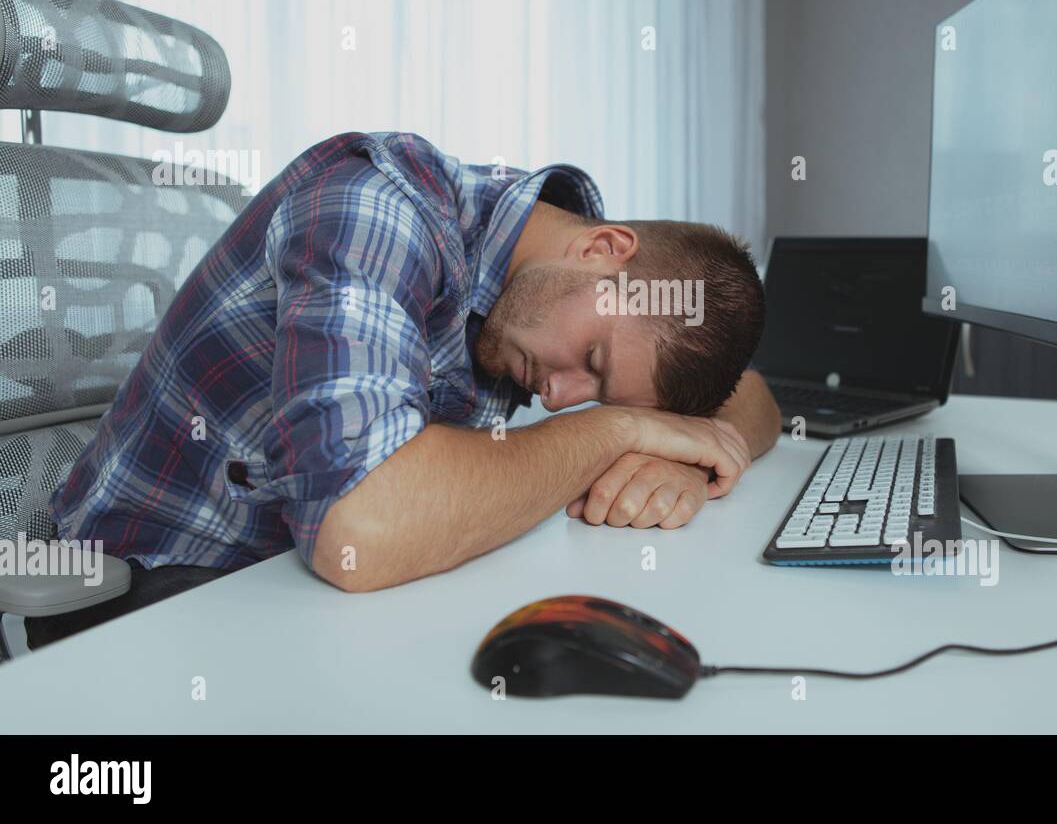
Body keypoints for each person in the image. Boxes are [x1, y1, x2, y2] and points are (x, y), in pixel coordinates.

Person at [27, 132, 777, 647]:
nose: (559, 395)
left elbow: (754, 397)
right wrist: (616, 432)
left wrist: (687, 453)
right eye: (589, 358)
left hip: (303, 599)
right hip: (152, 596)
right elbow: (361, 530)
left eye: (598, 392)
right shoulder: (377, 203)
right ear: (603, 248)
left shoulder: (548, 285)